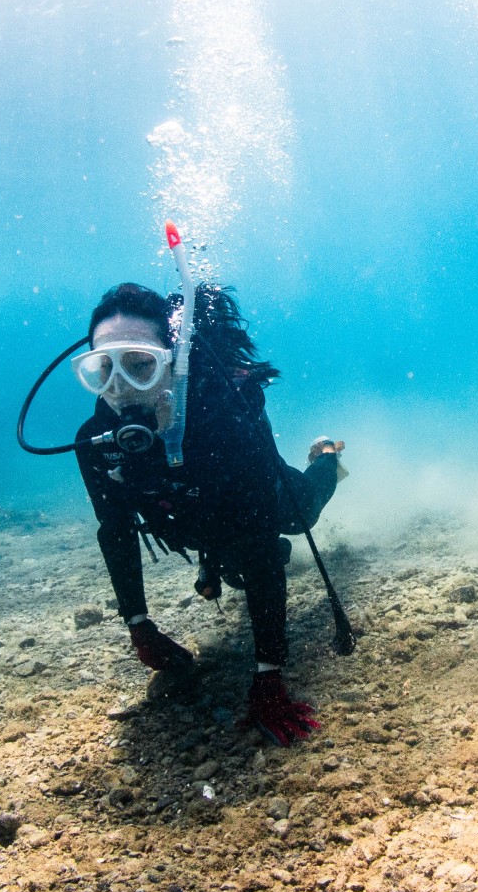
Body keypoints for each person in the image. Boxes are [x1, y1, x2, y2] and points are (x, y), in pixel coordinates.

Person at [71, 281, 346, 744]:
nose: (120, 389)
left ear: (172, 362)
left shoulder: (225, 418)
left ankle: (325, 458)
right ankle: (217, 561)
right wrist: (138, 625)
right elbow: (114, 529)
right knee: (234, 566)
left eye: (141, 366)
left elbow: (260, 549)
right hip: (195, 521)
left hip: (259, 501)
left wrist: (269, 677)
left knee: (300, 518)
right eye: (104, 369)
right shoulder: (96, 442)